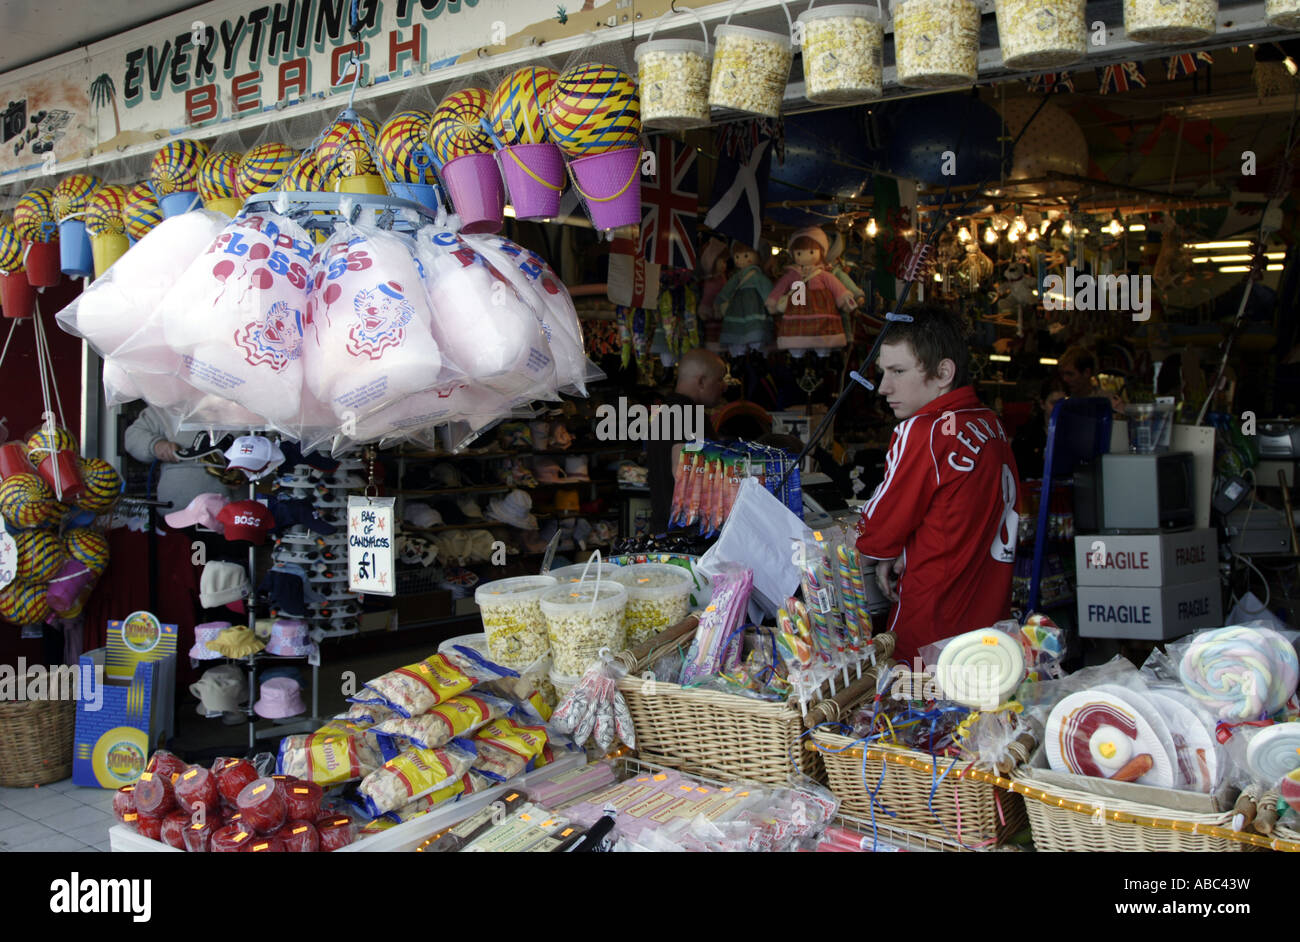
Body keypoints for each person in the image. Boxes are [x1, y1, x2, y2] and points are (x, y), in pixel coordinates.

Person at [855, 305, 1020, 663]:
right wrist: (902, 551)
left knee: (916, 718)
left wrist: (883, 550)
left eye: (898, 371)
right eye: (883, 372)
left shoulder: (923, 431)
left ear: (943, 372)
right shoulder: (991, 424)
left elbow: (875, 533)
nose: (883, 387)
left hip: (931, 633)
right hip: (991, 634)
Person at [646, 348, 725, 533]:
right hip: (688, 536)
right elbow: (684, 474)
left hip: (663, 531)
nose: (723, 386)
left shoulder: (664, 412)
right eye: (719, 379)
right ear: (702, 381)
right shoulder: (691, 415)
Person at [124, 405, 235, 514]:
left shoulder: (235, 406)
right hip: (174, 512)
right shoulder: (168, 405)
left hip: (231, 515)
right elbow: (133, 436)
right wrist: (156, 445)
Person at [1011, 375, 1067, 479]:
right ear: (1042, 404)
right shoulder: (1026, 436)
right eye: (1054, 403)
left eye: (1063, 403)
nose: (1059, 409)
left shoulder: (1074, 434)